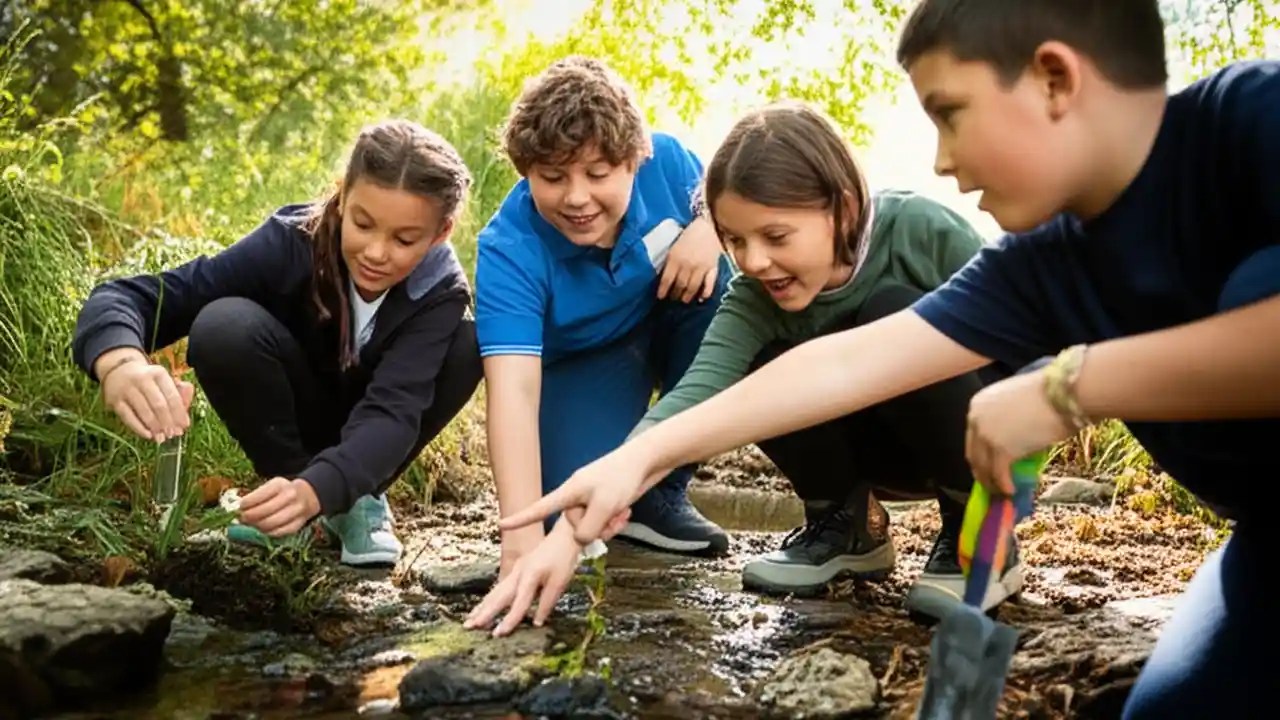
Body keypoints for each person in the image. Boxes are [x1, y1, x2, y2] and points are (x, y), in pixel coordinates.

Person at [491, 1, 1276, 716]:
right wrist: (636, 463)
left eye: (951, 114)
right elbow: (834, 368)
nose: (940, 158)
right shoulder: (1043, 265)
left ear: (1054, 80)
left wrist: (1071, 384)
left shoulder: (1250, 121)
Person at [467, 100, 1002, 635]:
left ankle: (976, 530)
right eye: (735, 241)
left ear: (840, 209)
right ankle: (846, 524)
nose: (752, 262)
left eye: (775, 237)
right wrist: (566, 536)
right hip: (871, 452)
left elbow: (1024, 346)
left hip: (975, 440)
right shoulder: (754, 296)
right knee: (755, 363)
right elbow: (690, 401)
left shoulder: (920, 232)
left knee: (891, 313)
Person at [71, 119, 483, 568]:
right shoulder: (289, 243)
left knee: (469, 344)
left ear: (440, 233)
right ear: (343, 195)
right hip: (296, 414)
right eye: (362, 224)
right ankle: (289, 492)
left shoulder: (439, 292)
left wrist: (319, 489)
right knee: (223, 325)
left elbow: (394, 411)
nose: (376, 252)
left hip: (377, 435)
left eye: (404, 239)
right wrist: (119, 363)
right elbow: (134, 296)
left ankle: (355, 498)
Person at [473, 55, 734, 582]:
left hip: (663, 319)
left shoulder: (671, 163)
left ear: (635, 160)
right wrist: (518, 540)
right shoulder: (508, 249)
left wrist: (711, 228)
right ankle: (623, 495)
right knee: (569, 503)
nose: (576, 197)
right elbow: (514, 393)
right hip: (582, 365)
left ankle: (663, 491)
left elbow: (728, 200)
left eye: (597, 174)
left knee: (725, 286)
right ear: (526, 173)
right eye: (552, 177)